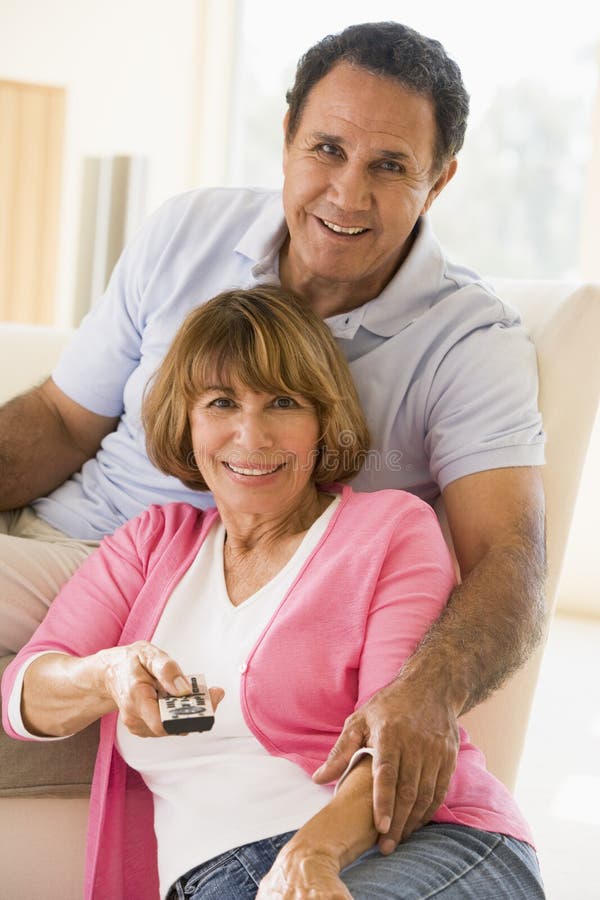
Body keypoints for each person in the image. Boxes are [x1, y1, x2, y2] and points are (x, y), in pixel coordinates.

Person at [0, 21, 546, 851]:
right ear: (287, 140)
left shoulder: (469, 344)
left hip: (171, 588)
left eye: (390, 166)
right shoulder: (187, 231)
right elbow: (60, 418)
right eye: (326, 148)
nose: (347, 194)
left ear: (438, 182)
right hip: (60, 542)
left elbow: (508, 556)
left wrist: (424, 699)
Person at [2, 287, 545, 900]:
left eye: (283, 402)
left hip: (407, 845)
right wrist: (106, 675)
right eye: (221, 402)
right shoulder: (149, 544)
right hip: (214, 881)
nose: (251, 434)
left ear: (323, 420)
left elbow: (394, 739)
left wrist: (311, 854)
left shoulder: (388, 530)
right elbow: (26, 691)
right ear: (187, 421)